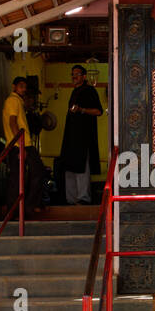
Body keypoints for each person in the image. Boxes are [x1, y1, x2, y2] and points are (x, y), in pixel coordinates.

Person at [1, 76, 46, 213]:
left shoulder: (18, 101)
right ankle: (22, 208)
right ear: (14, 87)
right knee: (28, 175)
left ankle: (21, 208)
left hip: (19, 144)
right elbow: (12, 122)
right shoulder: (13, 100)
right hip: (19, 144)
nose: (24, 89)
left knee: (23, 176)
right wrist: (21, 146)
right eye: (21, 86)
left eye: (25, 87)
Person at [60, 64, 103, 205]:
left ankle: (83, 198)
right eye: (72, 74)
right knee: (69, 167)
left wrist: (81, 110)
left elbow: (98, 111)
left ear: (84, 76)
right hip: (71, 137)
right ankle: (71, 199)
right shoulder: (74, 92)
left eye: (77, 74)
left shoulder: (89, 90)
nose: (74, 76)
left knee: (81, 167)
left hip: (83, 137)